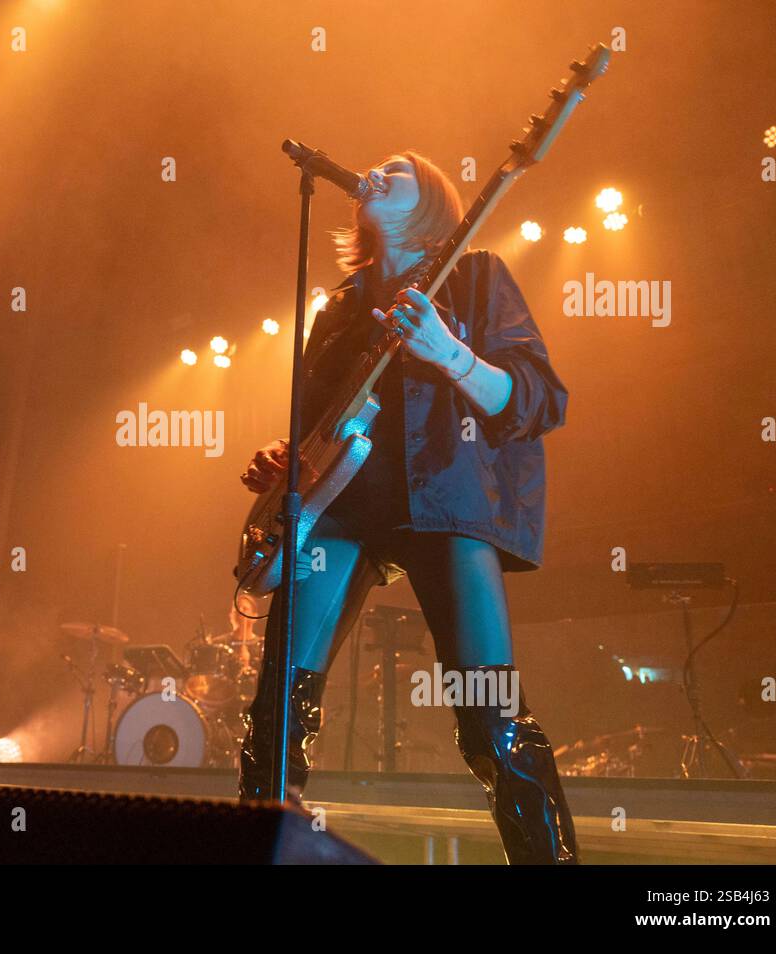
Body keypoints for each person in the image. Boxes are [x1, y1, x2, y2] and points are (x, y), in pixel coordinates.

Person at [237, 151, 578, 864]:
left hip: (446, 507)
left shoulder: (476, 275)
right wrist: (282, 458)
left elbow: (539, 399)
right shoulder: (336, 310)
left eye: (398, 168)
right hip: (339, 514)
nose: (375, 171)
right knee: (277, 715)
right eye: (377, 166)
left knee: (492, 721)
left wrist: (449, 354)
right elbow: (315, 432)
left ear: (432, 200)